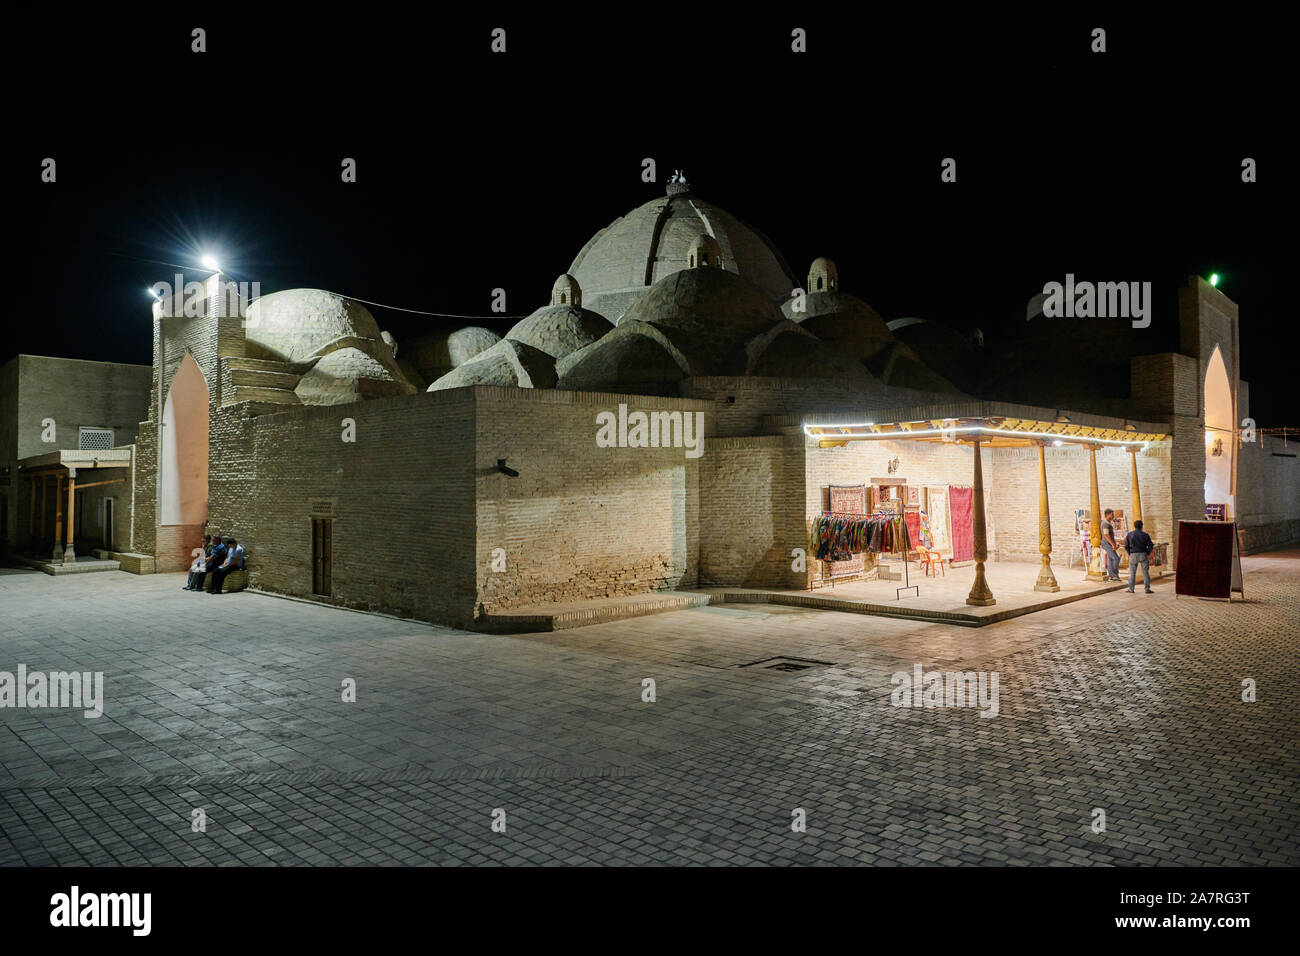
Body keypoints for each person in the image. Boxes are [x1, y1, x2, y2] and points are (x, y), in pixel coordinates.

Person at [1124, 520, 1155, 594]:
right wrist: (1147, 552)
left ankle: (1131, 589)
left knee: (1132, 573)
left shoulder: (1130, 534)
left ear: (1134, 526)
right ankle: (1147, 589)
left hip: (1133, 554)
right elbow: (1151, 545)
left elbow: (1126, 546)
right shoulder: (1145, 534)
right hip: (1143, 553)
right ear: (1142, 526)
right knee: (1145, 572)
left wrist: (1129, 553)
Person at [1100, 508, 1121, 582]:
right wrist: (1113, 544)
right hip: (1107, 543)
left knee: (1111, 559)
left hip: (1109, 543)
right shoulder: (1105, 523)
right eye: (1112, 514)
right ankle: (1114, 575)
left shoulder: (1108, 523)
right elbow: (1106, 535)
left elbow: (1111, 535)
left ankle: (1112, 576)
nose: (1113, 516)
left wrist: (1115, 542)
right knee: (1116, 558)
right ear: (1108, 514)